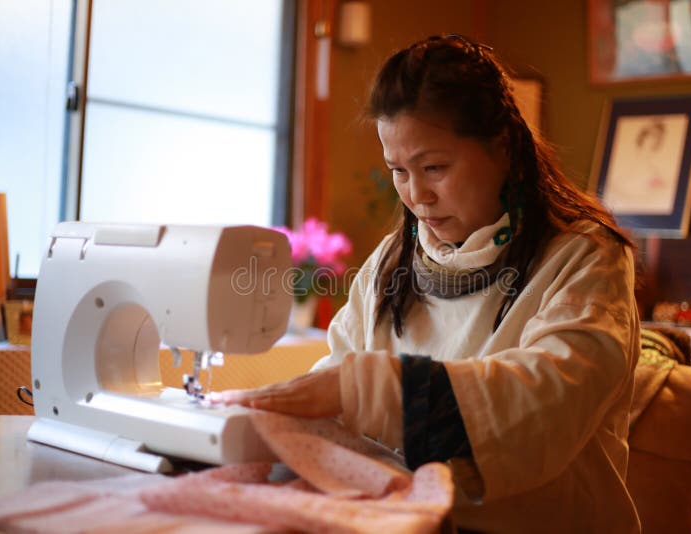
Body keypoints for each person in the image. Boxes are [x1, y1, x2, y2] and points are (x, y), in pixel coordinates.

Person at [214, 35, 641, 533]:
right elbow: (337, 393)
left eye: (435, 167)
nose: (417, 195)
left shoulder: (584, 255)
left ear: (501, 147)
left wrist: (370, 388)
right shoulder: (390, 263)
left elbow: (548, 403)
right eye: (399, 171)